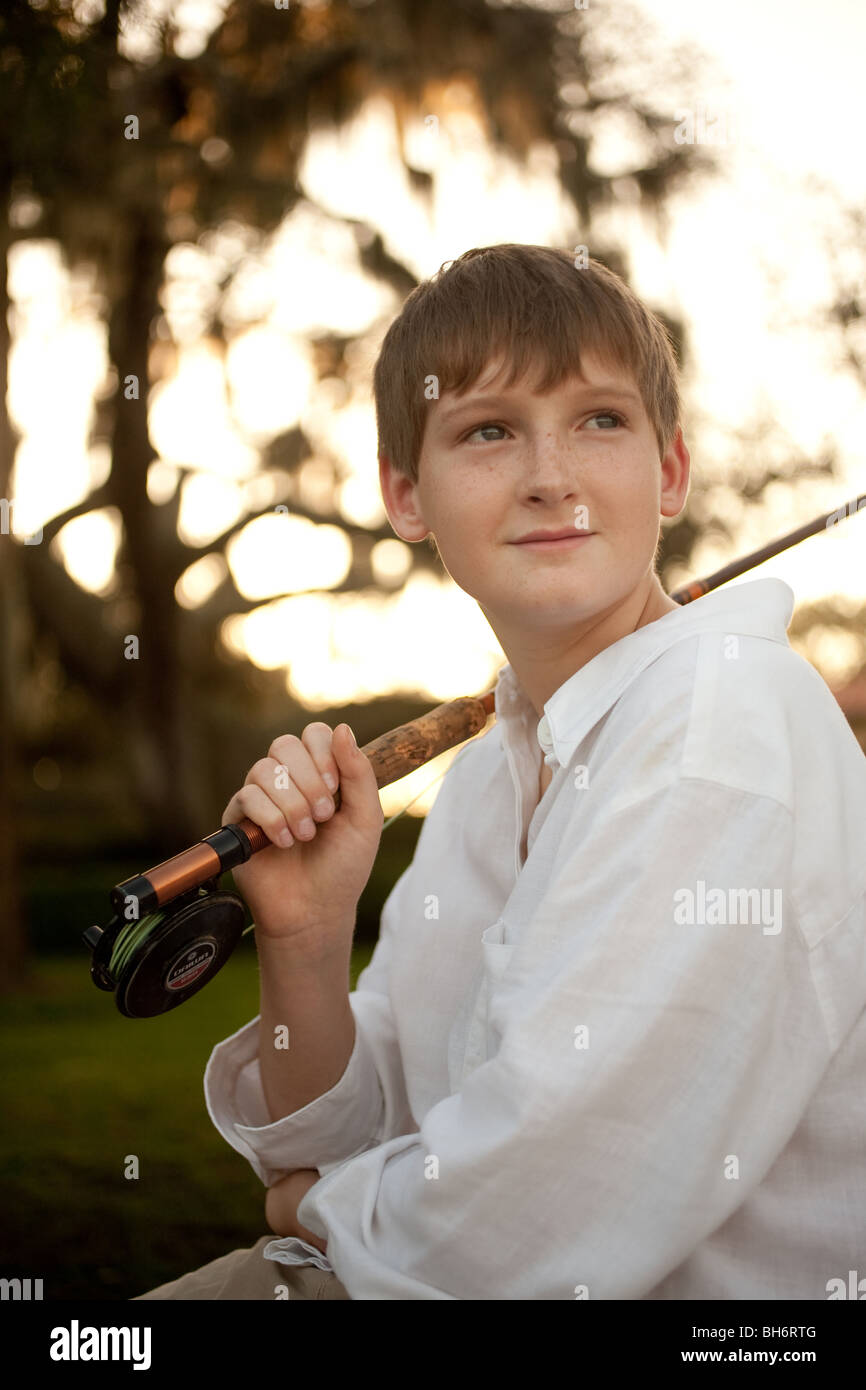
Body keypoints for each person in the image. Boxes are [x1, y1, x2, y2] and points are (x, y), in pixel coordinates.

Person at [135, 244, 866, 1301]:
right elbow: (358, 1122)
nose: (549, 477)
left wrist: (315, 1211)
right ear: (405, 493)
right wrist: (304, 936)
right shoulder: (495, 761)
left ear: (668, 472)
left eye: (599, 420)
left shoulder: (718, 725)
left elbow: (515, 1226)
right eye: (487, 431)